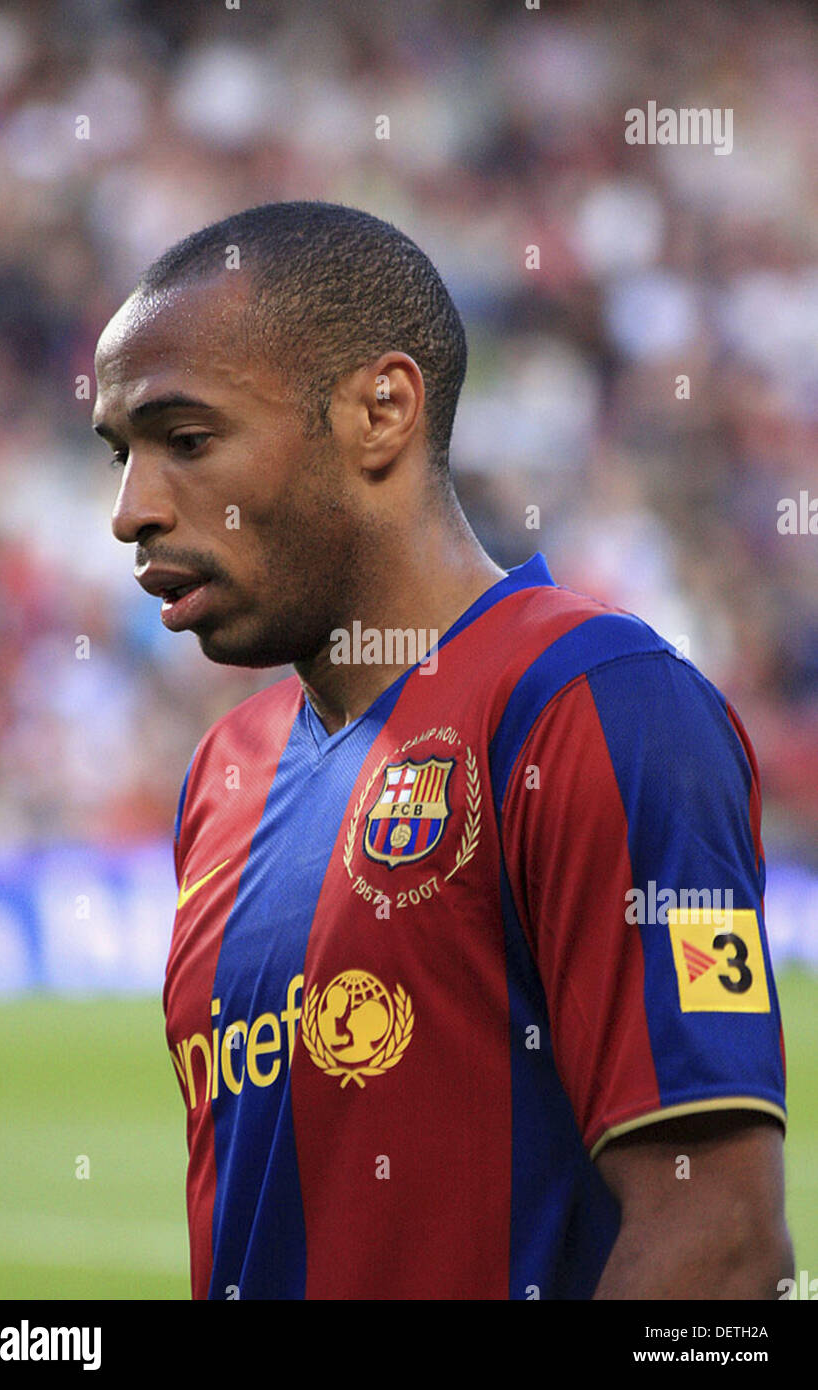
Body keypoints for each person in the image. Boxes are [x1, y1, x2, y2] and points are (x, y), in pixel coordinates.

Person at [93, 200, 791, 1300]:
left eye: (185, 441)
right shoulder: (225, 773)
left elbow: (720, 1242)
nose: (130, 509)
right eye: (119, 453)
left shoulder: (594, 705)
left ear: (380, 410)